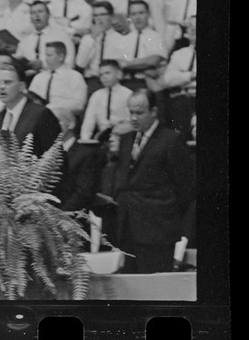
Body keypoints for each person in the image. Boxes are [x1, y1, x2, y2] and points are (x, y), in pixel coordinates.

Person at [109, 89, 195, 273]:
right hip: (128, 227)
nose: (133, 117)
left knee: (156, 287)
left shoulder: (171, 139)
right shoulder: (127, 139)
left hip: (158, 230)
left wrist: (164, 213)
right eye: (131, 112)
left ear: (154, 112)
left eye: (139, 112)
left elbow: (185, 187)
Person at [0, 60, 61, 157]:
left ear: (21, 86)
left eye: (7, 82)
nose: (1, 87)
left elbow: (56, 158)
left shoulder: (41, 114)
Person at [52, 107, 106, 213]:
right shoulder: (45, 152)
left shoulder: (86, 154)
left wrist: (58, 216)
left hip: (70, 220)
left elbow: (84, 194)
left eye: (56, 120)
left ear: (71, 124)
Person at [76, 1, 126, 93]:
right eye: (95, 15)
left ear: (111, 16)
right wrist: (92, 38)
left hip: (113, 83)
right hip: (92, 81)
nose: (98, 19)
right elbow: (80, 64)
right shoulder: (87, 39)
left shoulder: (121, 39)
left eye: (102, 14)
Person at [117, 0, 167, 91]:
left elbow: (153, 61)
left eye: (141, 13)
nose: (137, 17)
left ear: (148, 14)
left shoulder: (156, 37)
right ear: (129, 17)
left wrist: (128, 64)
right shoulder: (124, 39)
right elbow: (119, 63)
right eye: (134, 14)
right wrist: (143, 63)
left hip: (146, 83)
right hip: (125, 83)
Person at [28, 42, 88, 115]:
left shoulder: (75, 76)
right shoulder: (39, 77)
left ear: (61, 57)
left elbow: (79, 104)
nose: (45, 59)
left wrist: (52, 107)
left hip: (63, 116)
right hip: (39, 116)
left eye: (49, 55)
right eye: (46, 55)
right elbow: (30, 99)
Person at [80, 59, 132, 142]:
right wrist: (84, 139)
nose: (104, 77)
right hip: (102, 137)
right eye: (101, 75)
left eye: (107, 73)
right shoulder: (97, 95)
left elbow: (130, 120)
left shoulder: (128, 94)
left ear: (119, 74)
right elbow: (89, 121)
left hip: (123, 136)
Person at [15, 1, 75, 73]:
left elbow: (69, 64)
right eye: (33, 13)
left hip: (56, 80)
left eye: (40, 11)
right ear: (30, 17)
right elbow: (16, 67)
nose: (37, 15)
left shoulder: (62, 37)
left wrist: (43, 65)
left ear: (48, 15)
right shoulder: (24, 42)